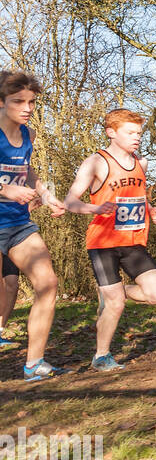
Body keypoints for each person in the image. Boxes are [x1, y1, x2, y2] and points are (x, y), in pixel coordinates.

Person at [64, 108, 156, 373]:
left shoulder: (141, 163)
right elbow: (70, 201)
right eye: (130, 132)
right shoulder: (96, 162)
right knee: (116, 304)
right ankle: (102, 356)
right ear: (112, 133)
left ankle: (112, 292)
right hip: (103, 243)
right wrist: (95, 209)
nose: (137, 138)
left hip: (134, 242)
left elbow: (138, 196)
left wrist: (152, 211)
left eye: (139, 133)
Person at [0, 70, 65, 380]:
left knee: (47, 283)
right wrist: (5, 189)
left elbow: (27, 170)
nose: (27, 108)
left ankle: (34, 363)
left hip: (17, 223)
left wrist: (45, 193)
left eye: (32, 102)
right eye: (18, 101)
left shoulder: (28, 135)